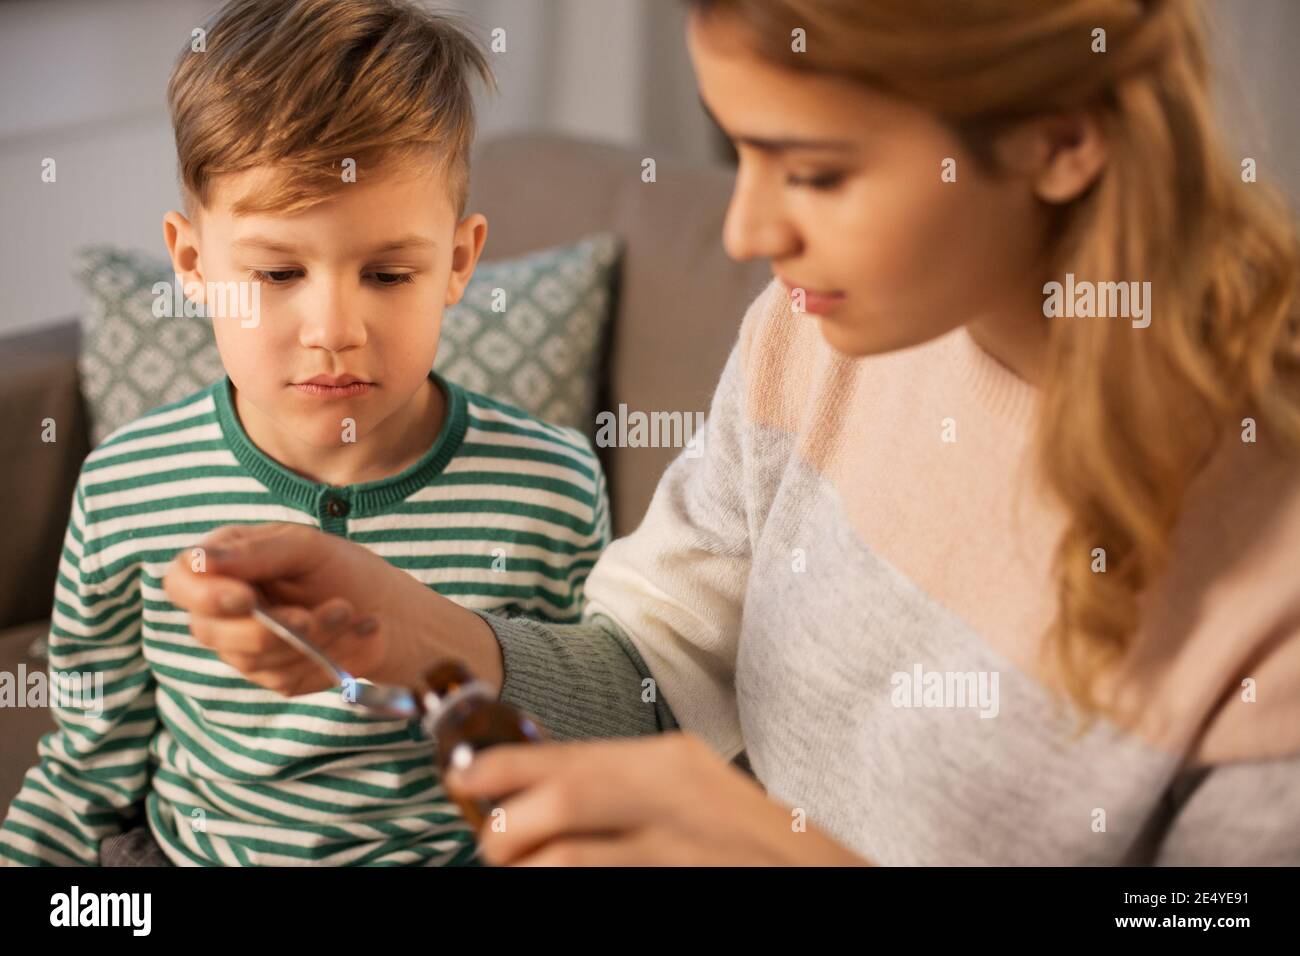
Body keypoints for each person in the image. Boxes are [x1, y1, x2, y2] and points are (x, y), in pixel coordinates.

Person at [163, 0, 1300, 865]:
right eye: (740, 150)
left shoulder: (1271, 577)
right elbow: (658, 678)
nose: (750, 228)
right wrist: (402, 629)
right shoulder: (814, 334)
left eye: (814, 171)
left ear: (1061, 141)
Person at [0, 0, 610, 867]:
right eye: (278, 271)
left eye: (389, 272)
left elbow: (583, 746)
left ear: (460, 264)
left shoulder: (549, 486)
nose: (333, 327)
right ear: (193, 266)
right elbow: (86, 769)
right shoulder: (125, 489)